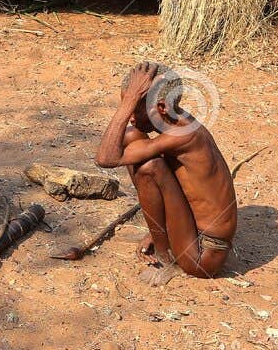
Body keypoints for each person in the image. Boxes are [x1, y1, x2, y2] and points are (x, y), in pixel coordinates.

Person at [93, 61, 236, 285]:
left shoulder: (184, 135)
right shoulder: (176, 122)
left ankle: (165, 258)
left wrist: (130, 99)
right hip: (192, 231)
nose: (131, 117)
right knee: (131, 137)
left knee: (149, 168)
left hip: (203, 256)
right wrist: (157, 230)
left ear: (160, 108)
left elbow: (106, 159)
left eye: (134, 109)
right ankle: (166, 239)